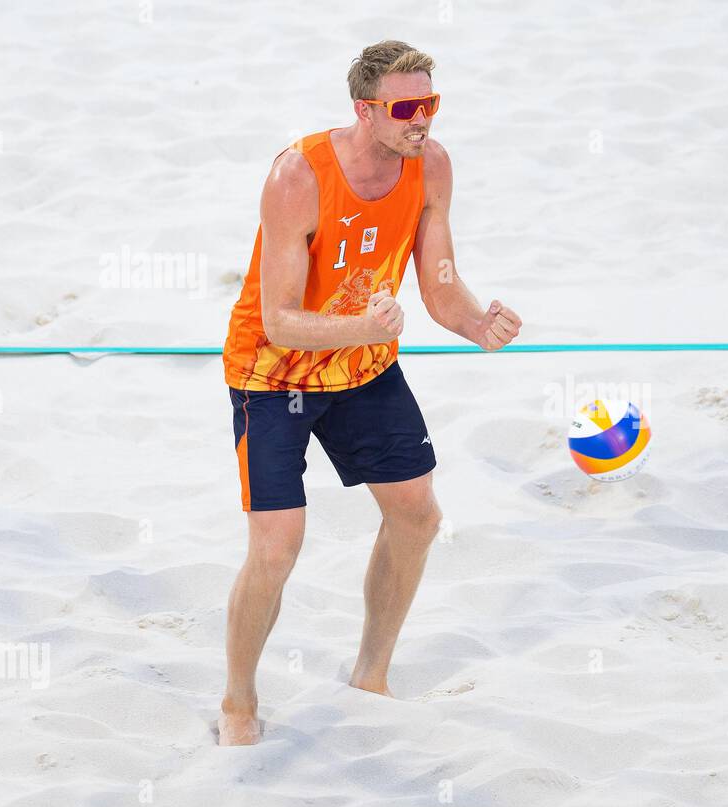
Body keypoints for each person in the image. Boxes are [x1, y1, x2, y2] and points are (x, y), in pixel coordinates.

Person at [218, 40, 522, 745]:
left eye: (432, 105)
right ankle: (238, 702)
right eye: (408, 108)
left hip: (364, 365)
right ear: (365, 110)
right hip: (273, 374)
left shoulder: (432, 165)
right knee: (276, 547)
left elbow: (439, 282)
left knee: (417, 515)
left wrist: (476, 323)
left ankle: (371, 675)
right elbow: (280, 321)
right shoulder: (299, 175)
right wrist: (362, 323)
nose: (424, 121)